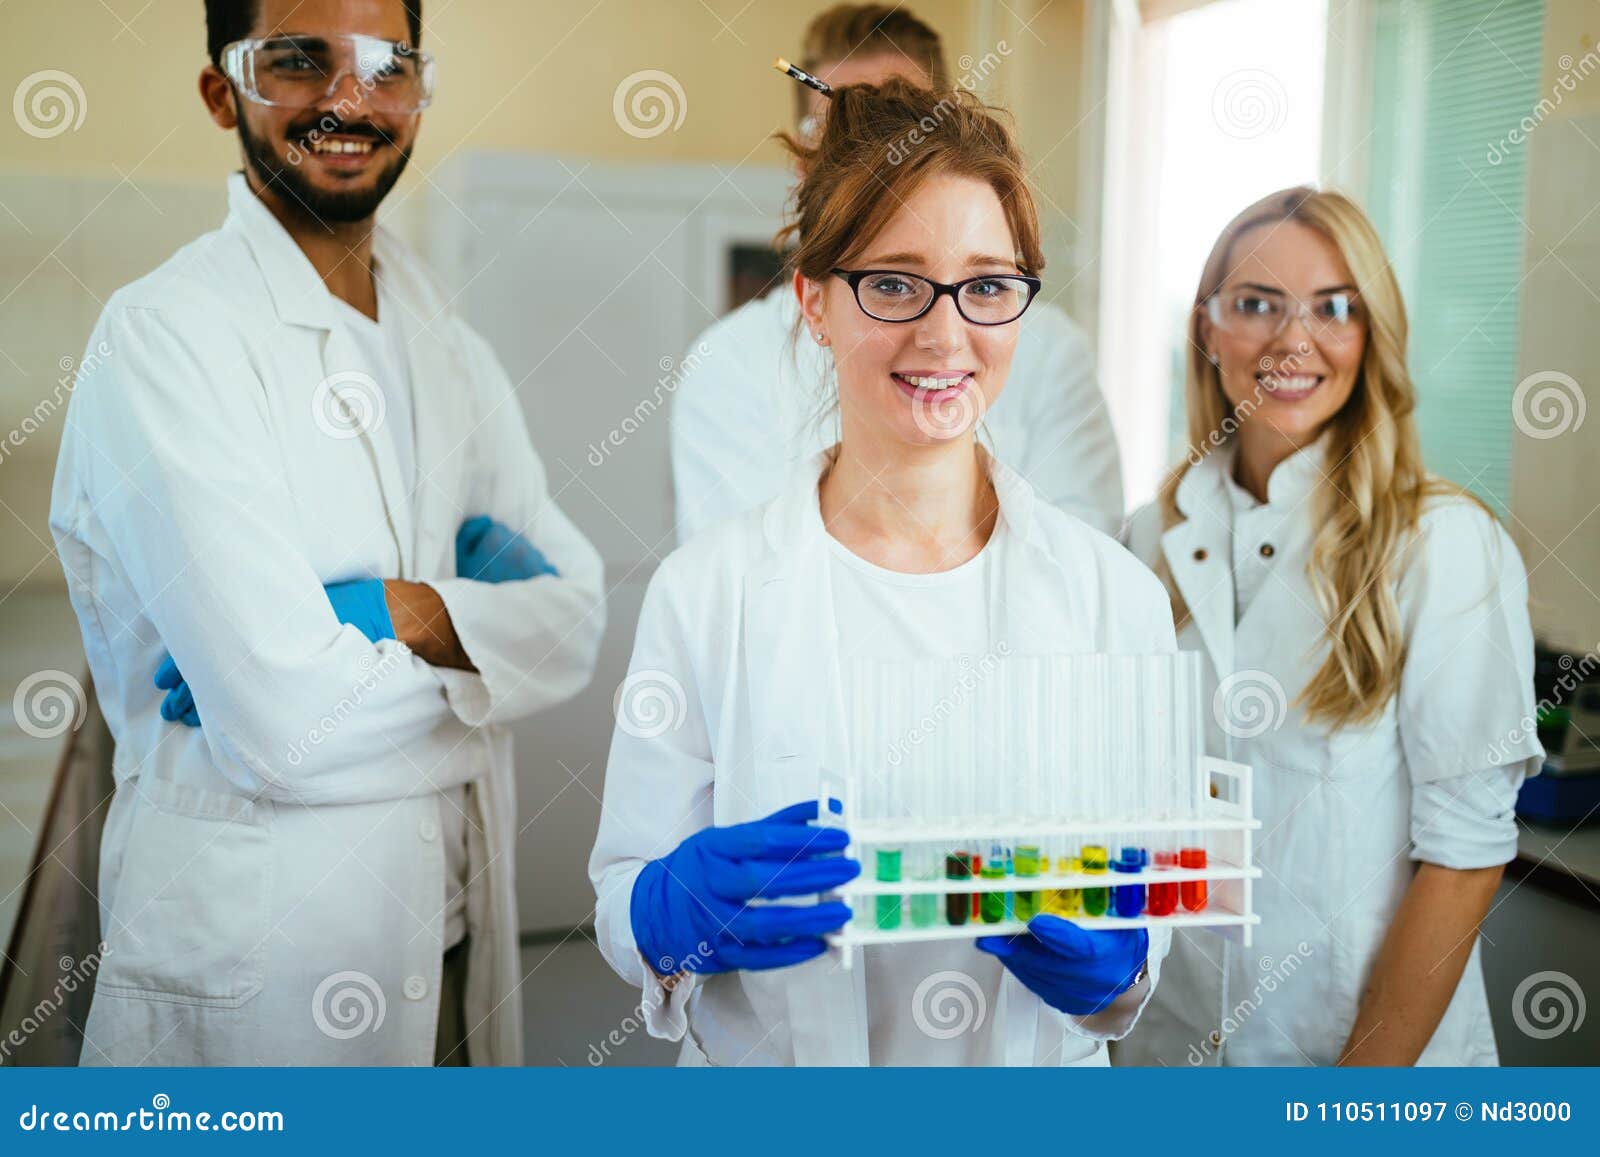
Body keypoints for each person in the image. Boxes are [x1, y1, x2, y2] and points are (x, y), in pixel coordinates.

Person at [48, 0, 604, 1066]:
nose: (350, 101)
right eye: (300, 60)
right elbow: (282, 723)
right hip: (261, 981)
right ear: (224, 92)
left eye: (387, 65)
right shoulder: (167, 339)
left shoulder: (448, 343)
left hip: (447, 954)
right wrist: (489, 673)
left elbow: (577, 622)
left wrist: (414, 611)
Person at [590, 79, 1174, 1067]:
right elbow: (621, 892)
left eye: (987, 284)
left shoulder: (1114, 598)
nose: (945, 336)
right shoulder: (708, 592)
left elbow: (1142, 920)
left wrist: (1122, 964)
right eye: (894, 283)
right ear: (813, 302)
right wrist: (659, 912)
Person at [1119, 187, 1542, 1066]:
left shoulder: (1442, 545)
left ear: (1372, 335)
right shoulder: (1148, 541)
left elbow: (1463, 857)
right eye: (1257, 303)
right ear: (1207, 330)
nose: (1292, 339)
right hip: (1170, 1053)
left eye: (1334, 307)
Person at [669, 3, 1123, 543]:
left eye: (904, 123)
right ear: (802, 168)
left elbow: (1081, 560)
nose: (943, 337)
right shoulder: (729, 364)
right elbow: (742, 584)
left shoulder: (1050, 352)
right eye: (847, 131)